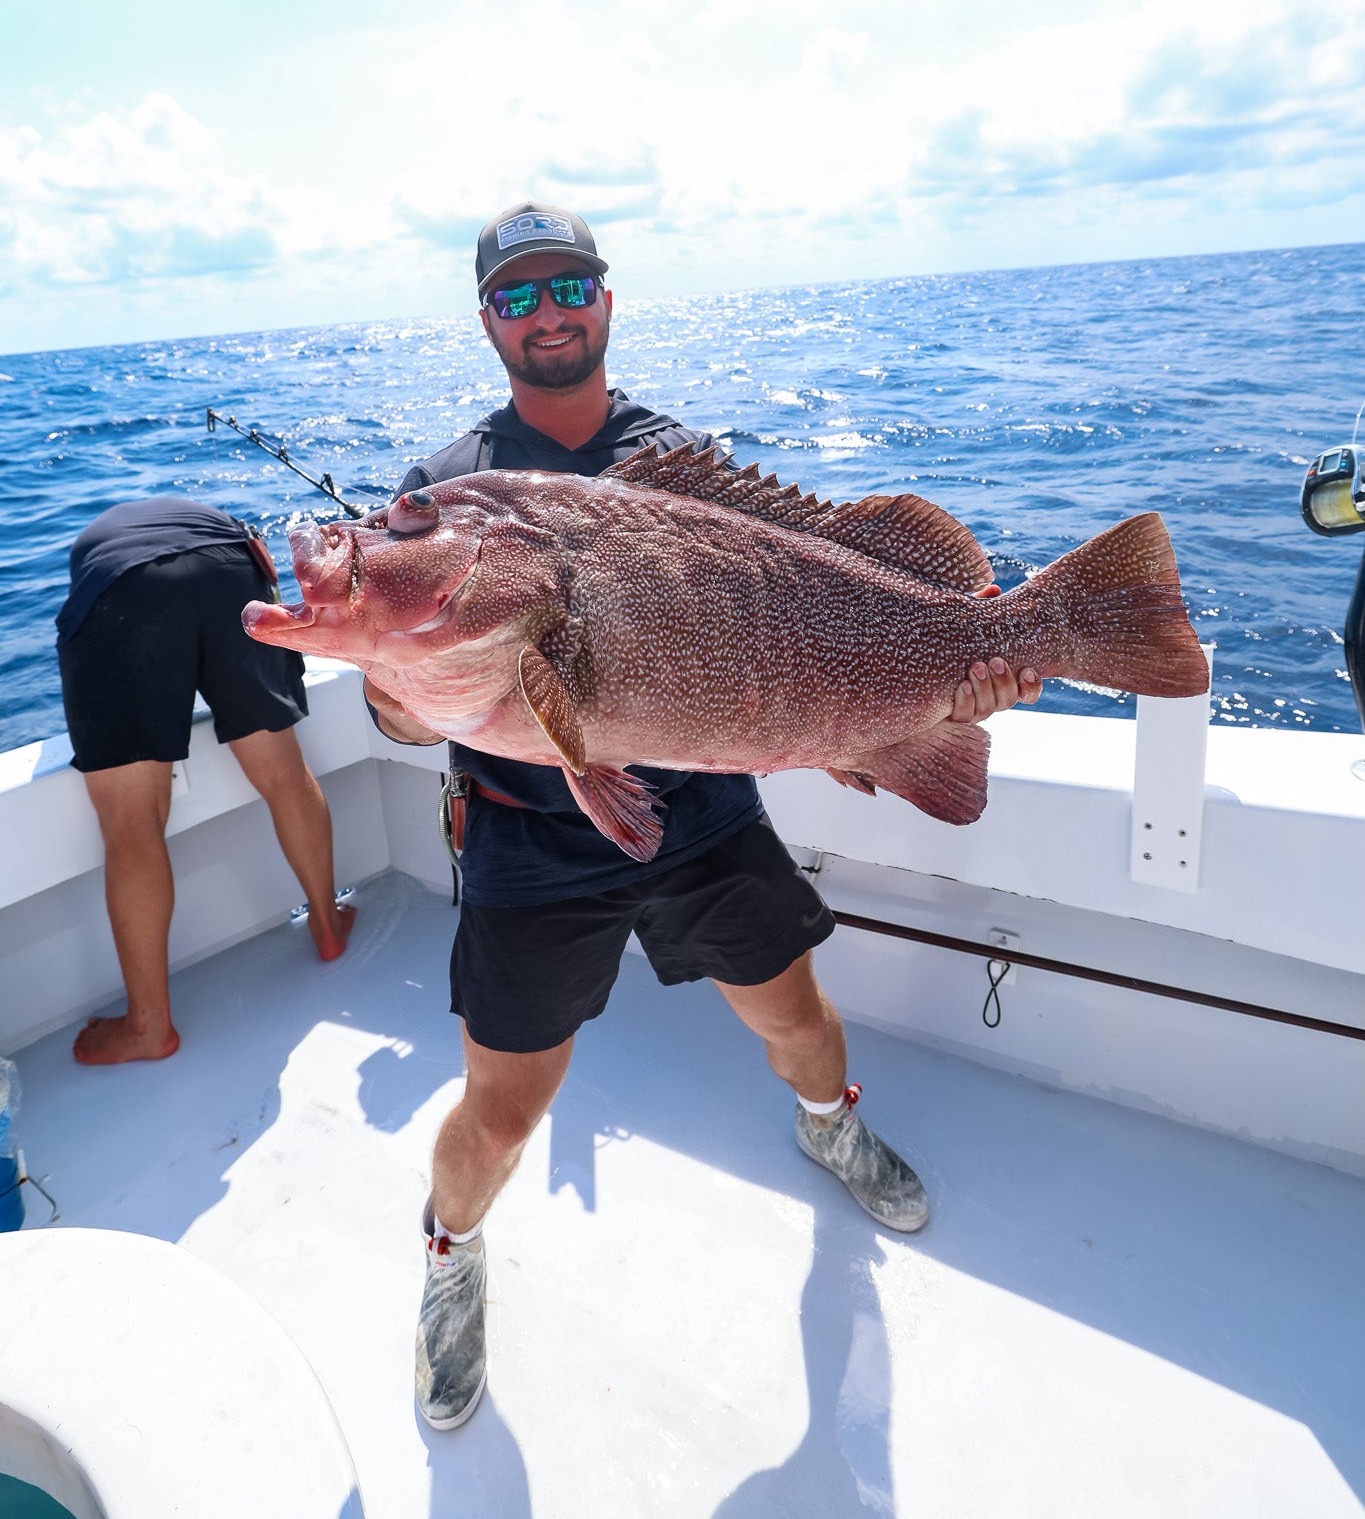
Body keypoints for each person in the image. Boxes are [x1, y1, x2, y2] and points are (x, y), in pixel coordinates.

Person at [366, 205, 1039, 1430]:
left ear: (607, 302)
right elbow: (400, 721)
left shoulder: (676, 457)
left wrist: (941, 681)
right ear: (486, 323)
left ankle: (831, 1128)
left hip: (700, 806)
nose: (548, 310)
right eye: (517, 295)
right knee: (504, 1108)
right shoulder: (441, 492)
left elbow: (794, 627)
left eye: (568, 283)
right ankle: (449, 1252)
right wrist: (404, 689)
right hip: (527, 826)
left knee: (799, 1023)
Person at [57, 497, 354, 1066]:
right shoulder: (208, 517)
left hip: (122, 586)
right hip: (230, 566)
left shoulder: (105, 535)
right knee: (284, 772)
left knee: (133, 820)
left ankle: (148, 1026)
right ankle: (327, 923)